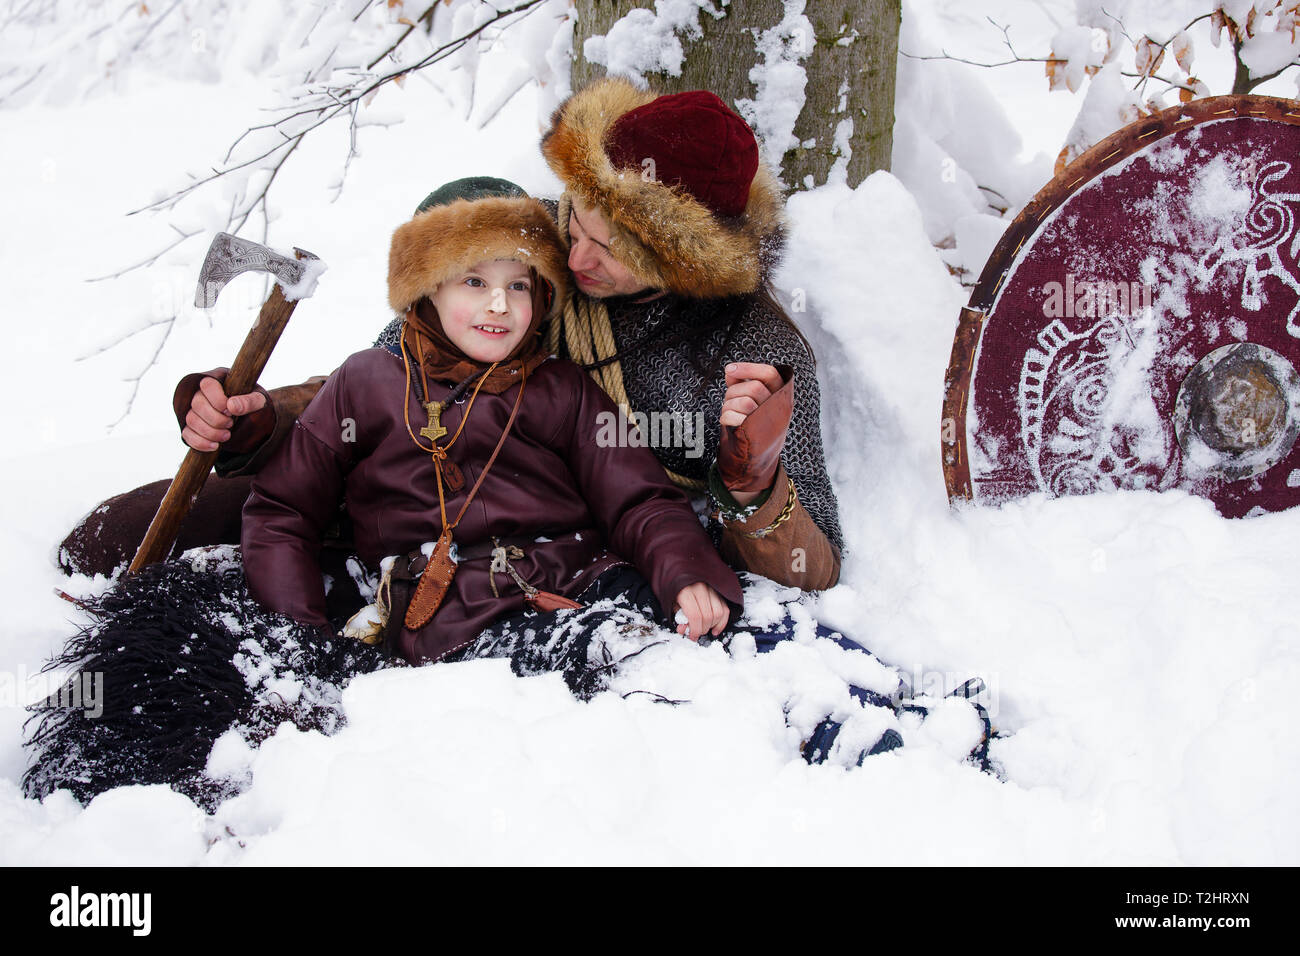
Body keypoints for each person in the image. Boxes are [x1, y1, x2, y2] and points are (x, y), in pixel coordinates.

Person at [59, 78, 843, 596]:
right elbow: (393, 368)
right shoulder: (538, 242)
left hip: (562, 547)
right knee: (119, 536)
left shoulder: (754, 349)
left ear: (679, 264)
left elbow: (818, 565)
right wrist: (261, 420)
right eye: (580, 220)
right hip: (421, 480)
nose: (575, 258)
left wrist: (753, 487)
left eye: (610, 251)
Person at [242, 179, 743, 662]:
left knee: (728, 654)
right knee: (607, 668)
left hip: (581, 582)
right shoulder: (367, 381)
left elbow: (638, 500)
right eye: (474, 281)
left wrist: (686, 572)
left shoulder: (561, 387)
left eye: (519, 285)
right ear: (427, 289)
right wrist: (302, 638)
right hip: (449, 615)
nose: (499, 305)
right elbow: (282, 511)